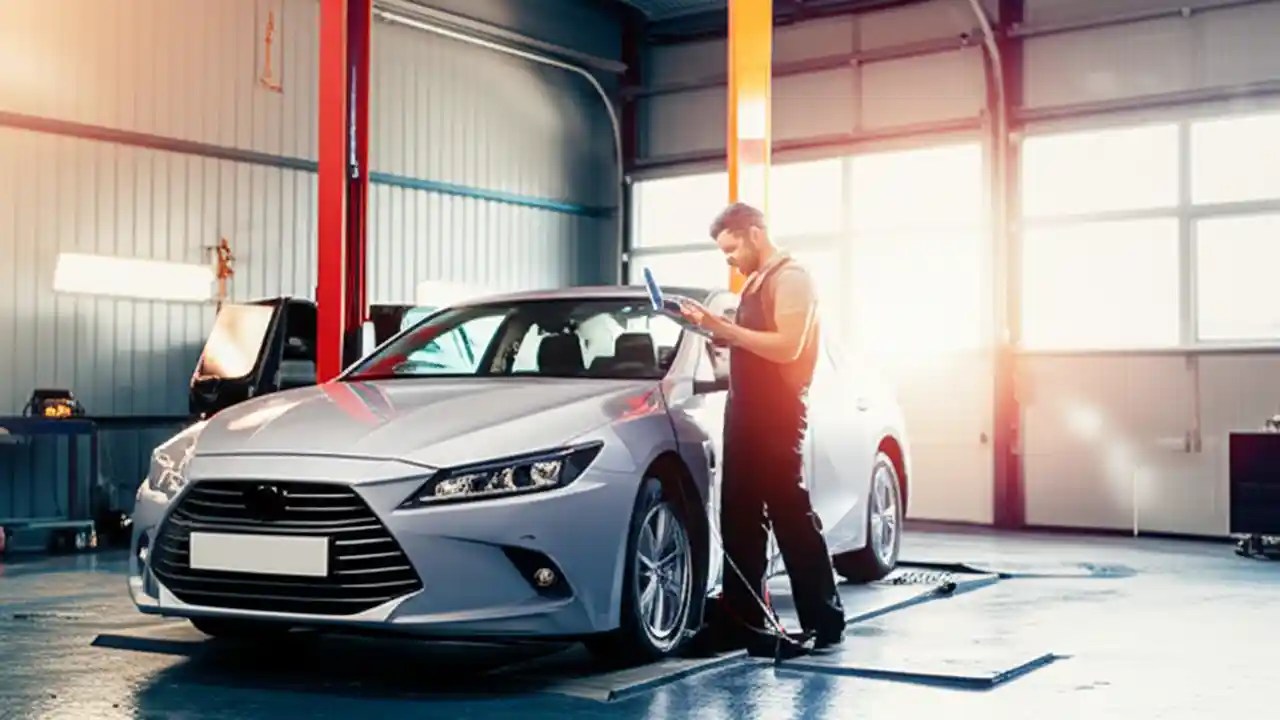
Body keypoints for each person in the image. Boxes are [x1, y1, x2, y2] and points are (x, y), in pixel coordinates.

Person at [678, 202, 846, 654]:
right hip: (745, 407)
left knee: (789, 511)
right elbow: (753, 343)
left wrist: (725, 329)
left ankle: (824, 620)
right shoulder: (753, 281)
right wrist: (715, 331)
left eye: (731, 249)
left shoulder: (792, 278)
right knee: (739, 514)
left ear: (753, 233)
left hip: (778, 411)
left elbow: (788, 347)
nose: (728, 259)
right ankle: (742, 617)